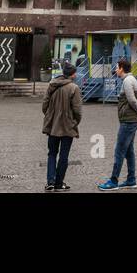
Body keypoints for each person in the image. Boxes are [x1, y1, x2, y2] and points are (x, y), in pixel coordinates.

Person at [98, 58, 137, 191]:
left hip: (128, 121)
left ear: (121, 68)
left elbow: (132, 100)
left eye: (116, 67)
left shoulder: (127, 81)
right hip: (132, 121)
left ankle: (113, 181)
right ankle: (131, 180)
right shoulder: (134, 80)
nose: (115, 70)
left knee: (119, 151)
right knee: (129, 151)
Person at [41, 60, 83, 191]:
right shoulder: (73, 88)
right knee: (64, 156)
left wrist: (50, 116)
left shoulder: (52, 84)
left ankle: (50, 182)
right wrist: (75, 122)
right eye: (75, 73)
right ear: (71, 75)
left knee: (52, 153)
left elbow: (44, 105)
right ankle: (59, 184)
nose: (76, 75)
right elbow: (77, 110)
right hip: (67, 126)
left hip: (53, 126)